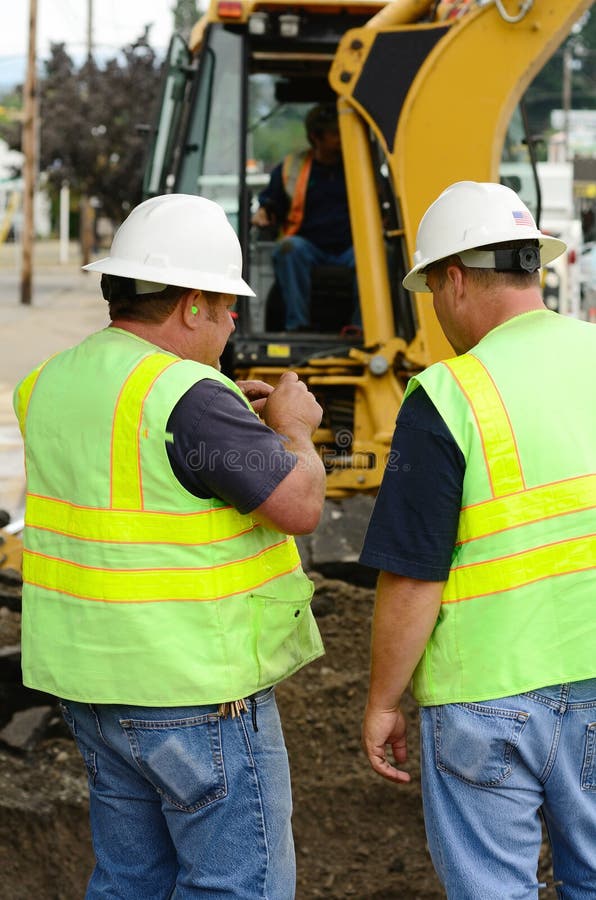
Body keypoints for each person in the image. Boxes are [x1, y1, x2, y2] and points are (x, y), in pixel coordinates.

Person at [14, 193, 326, 900]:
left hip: (94, 688)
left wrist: (230, 428)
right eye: (225, 305)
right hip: (193, 692)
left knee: (130, 882)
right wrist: (294, 429)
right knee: (236, 885)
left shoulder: (51, 381)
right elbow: (300, 505)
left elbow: (142, 474)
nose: (233, 320)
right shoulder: (187, 395)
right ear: (192, 305)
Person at [359, 181, 596, 899]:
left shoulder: (446, 395)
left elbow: (413, 577)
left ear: (454, 278)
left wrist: (381, 702)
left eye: (433, 288)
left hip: (485, 697)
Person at [251, 102, 357, 331]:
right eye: (335, 134)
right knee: (289, 249)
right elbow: (273, 202)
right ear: (315, 137)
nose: (342, 139)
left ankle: (361, 327)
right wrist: (264, 212)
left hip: (351, 249)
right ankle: (297, 326)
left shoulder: (359, 167)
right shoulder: (292, 168)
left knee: (380, 253)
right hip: (309, 247)